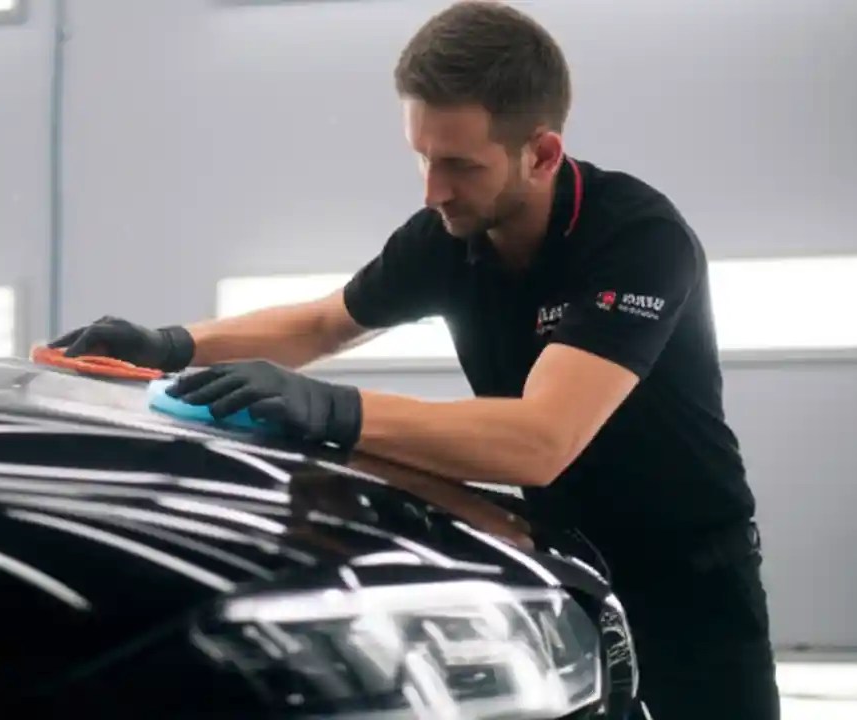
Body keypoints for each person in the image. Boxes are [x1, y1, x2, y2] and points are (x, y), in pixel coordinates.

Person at [49, 2, 779, 717]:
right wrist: (170, 344)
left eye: (460, 166)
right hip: (561, 559)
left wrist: (335, 410)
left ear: (542, 153)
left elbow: (541, 439)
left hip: (689, 574)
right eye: (424, 159)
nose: (434, 192)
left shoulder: (637, 239)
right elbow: (322, 323)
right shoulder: (445, 235)